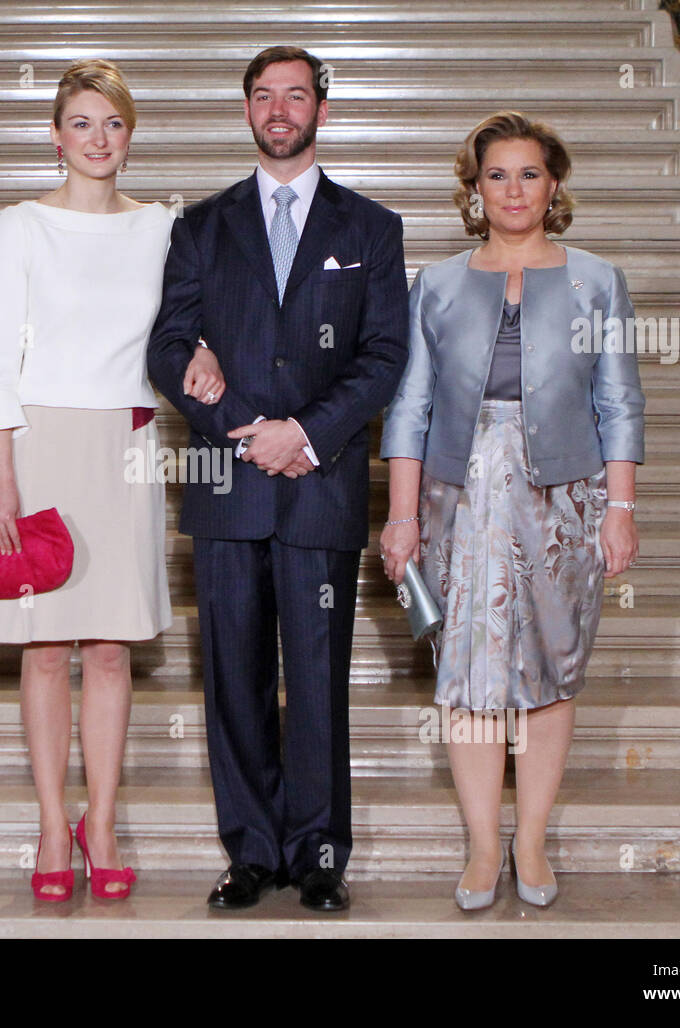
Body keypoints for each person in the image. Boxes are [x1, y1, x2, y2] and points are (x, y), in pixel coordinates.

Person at [148, 46, 409, 912]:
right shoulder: (201, 226)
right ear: (248, 110)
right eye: (264, 96)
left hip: (319, 484)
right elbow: (167, 345)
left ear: (321, 111)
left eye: (295, 95)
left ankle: (320, 853)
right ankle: (252, 850)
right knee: (234, 676)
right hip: (229, 488)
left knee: (319, 675)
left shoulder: (370, 227)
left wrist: (306, 432)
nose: (279, 109)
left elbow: (383, 357)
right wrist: (231, 419)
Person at [0, 59, 223, 902]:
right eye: (81, 122)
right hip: (38, 448)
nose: (98, 139)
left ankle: (101, 822)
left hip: (126, 444)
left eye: (112, 123)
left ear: (131, 133)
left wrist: (205, 350)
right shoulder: (21, 226)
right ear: (55, 134)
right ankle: (51, 824)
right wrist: (0, 477)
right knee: (44, 651)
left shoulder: (161, 227)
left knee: (110, 648)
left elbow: (186, 325)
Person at [379, 111, 645, 910]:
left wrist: (620, 506)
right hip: (458, 497)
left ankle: (531, 841)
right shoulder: (436, 283)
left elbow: (619, 401)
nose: (514, 189)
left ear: (553, 183)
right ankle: (481, 848)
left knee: (553, 670)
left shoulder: (597, 279)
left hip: (565, 500)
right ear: (475, 189)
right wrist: (400, 516)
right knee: (465, 673)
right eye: (497, 175)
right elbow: (409, 406)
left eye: (529, 173)